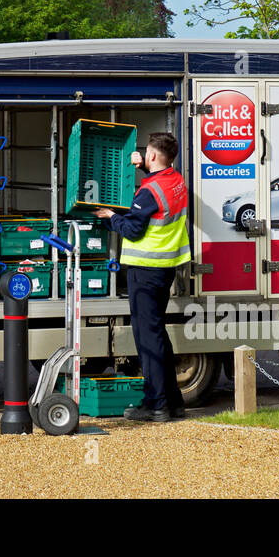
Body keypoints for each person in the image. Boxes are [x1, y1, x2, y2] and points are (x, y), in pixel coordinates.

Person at [94, 132, 190, 422]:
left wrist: (111, 216)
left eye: (145, 153)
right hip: (166, 268)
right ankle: (173, 402)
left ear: (152, 156)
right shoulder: (177, 181)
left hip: (145, 271)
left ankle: (156, 406)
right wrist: (141, 167)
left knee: (148, 340)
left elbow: (134, 229)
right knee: (158, 334)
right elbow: (157, 190)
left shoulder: (149, 192)